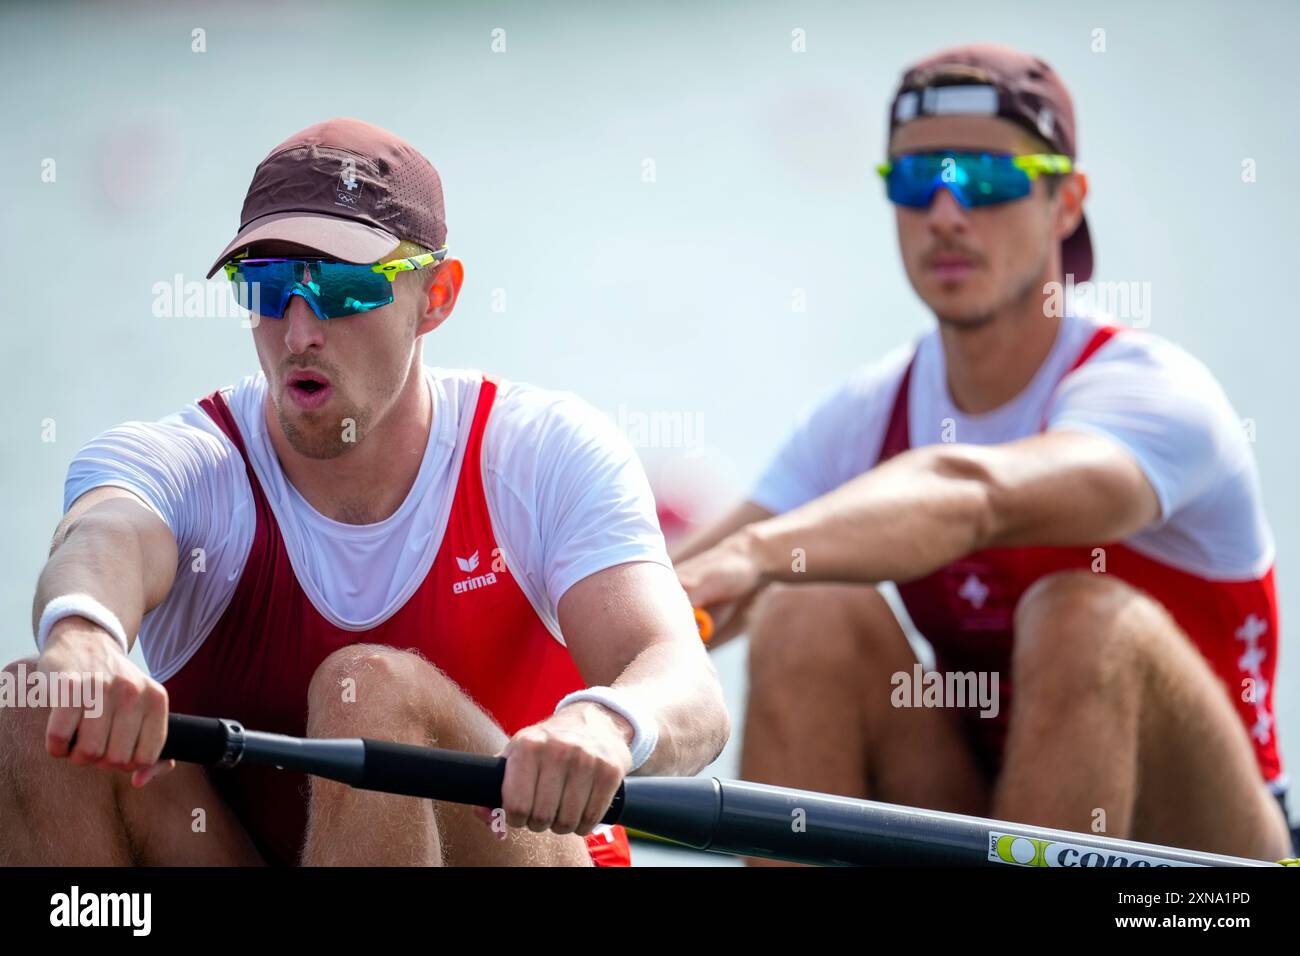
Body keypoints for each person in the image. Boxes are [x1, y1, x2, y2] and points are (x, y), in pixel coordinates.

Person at [1, 117, 728, 867]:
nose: (299, 331)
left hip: (519, 850)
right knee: (30, 705)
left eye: (343, 287)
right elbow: (104, 535)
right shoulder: (188, 463)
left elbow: (686, 685)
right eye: (270, 284)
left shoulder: (542, 452)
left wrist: (605, 725)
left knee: (370, 691)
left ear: (437, 297)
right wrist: (83, 634)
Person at [674, 44, 1294, 863]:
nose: (945, 212)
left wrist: (755, 554)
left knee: (1080, 616)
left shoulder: (1159, 396)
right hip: (1000, 813)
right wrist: (556, 703)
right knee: (806, 609)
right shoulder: (869, 412)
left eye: (988, 178)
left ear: (1067, 201)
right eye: (914, 180)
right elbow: (670, 604)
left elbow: (973, 493)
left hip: (1204, 863)